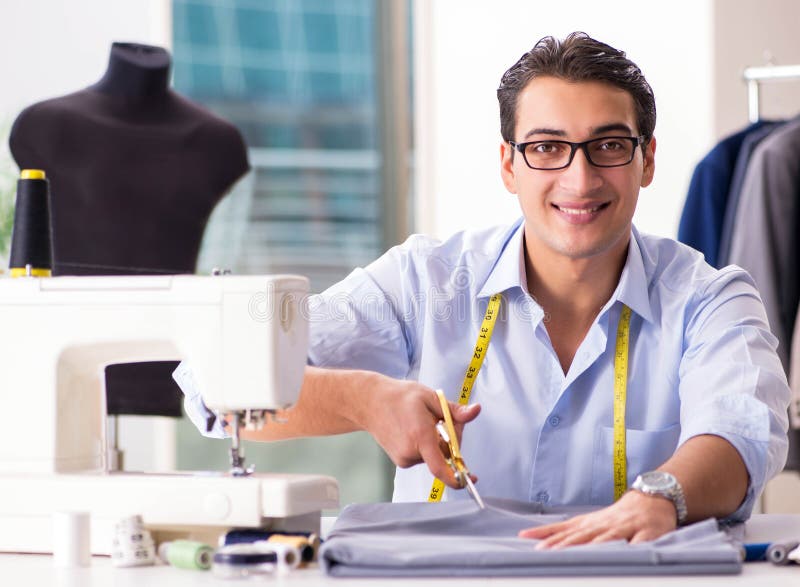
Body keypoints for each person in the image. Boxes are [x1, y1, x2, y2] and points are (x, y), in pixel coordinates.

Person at [182, 32, 790, 547]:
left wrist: (660, 498)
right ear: (509, 165)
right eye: (547, 148)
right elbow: (216, 381)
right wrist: (360, 398)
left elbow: (740, 435)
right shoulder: (425, 284)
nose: (579, 179)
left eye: (608, 146)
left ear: (646, 160)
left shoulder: (711, 300)